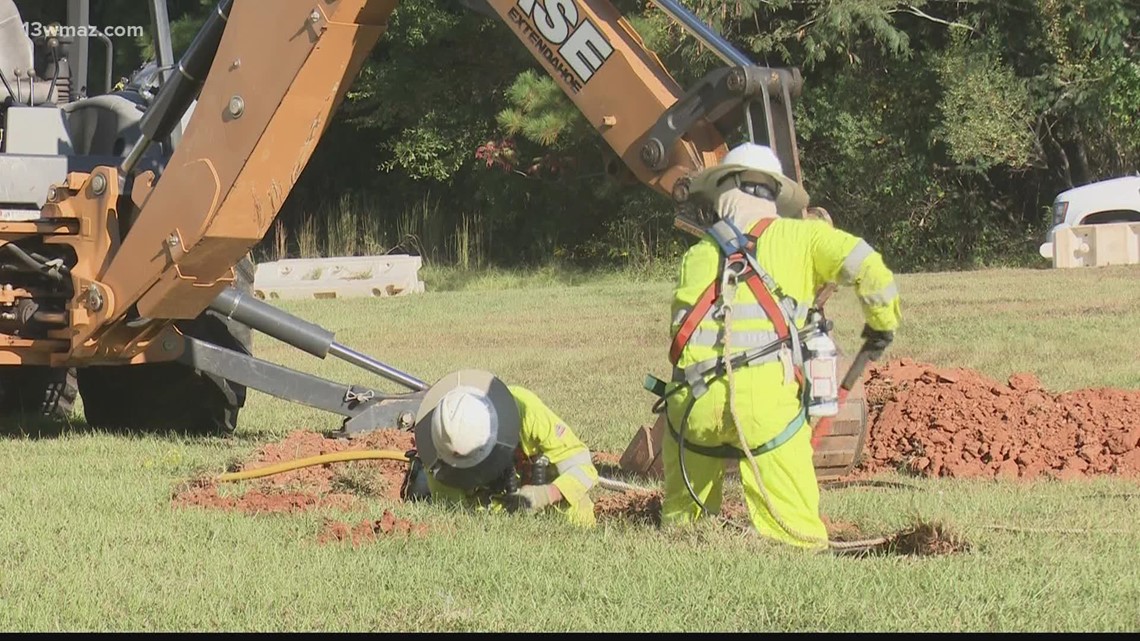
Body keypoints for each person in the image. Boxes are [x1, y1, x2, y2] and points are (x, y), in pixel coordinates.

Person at [660, 142, 901, 549]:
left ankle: (683, 547)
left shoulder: (697, 255)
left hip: (690, 403)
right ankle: (794, 551)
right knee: (796, 536)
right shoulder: (803, 237)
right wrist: (882, 324)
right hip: (763, 405)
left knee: (684, 529)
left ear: (723, 191)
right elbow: (867, 266)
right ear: (773, 193)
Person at [406, 369, 599, 528]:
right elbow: (458, 521)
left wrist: (548, 494)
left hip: (562, 522)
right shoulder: (440, 467)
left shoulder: (526, 410)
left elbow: (583, 467)